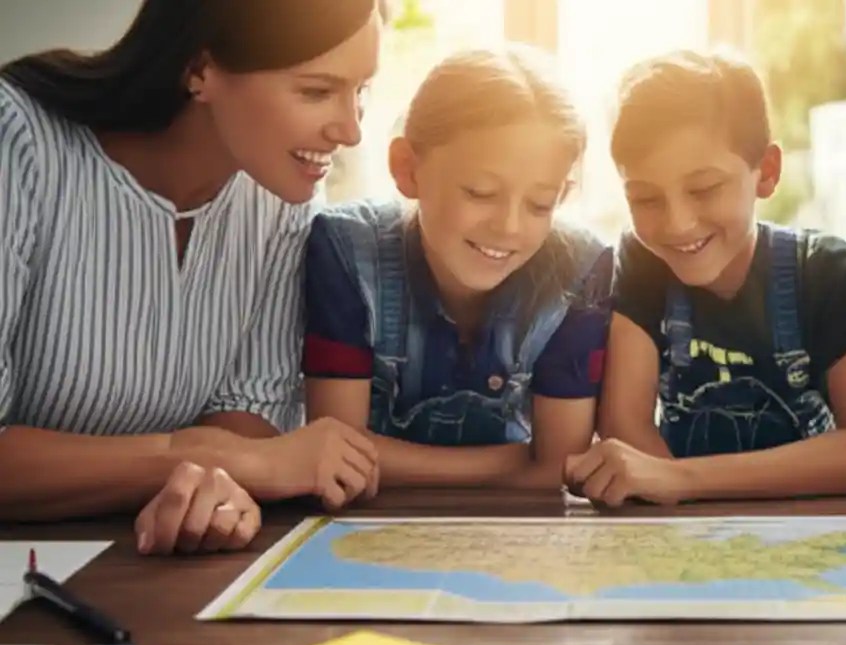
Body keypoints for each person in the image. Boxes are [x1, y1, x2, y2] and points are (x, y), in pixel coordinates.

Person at [0, 0, 384, 552]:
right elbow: (239, 455)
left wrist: (215, 490)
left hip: (139, 564)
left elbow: (248, 420)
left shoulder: (281, 198)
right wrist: (198, 456)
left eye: (361, 90)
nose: (350, 130)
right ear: (200, 70)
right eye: (316, 91)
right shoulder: (18, 142)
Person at [566, 50, 846, 508]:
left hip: (803, 526)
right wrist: (686, 523)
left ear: (767, 172)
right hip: (687, 532)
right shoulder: (643, 262)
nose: (677, 224)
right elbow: (624, 425)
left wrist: (683, 480)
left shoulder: (822, 271)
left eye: (704, 189)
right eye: (646, 199)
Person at [303, 47, 613, 489]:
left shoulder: (579, 269)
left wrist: (380, 460)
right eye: (480, 193)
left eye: (540, 204)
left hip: (513, 525)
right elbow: (335, 454)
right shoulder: (344, 251)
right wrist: (522, 460)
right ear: (407, 169)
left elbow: (561, 465)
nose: (509, 227)